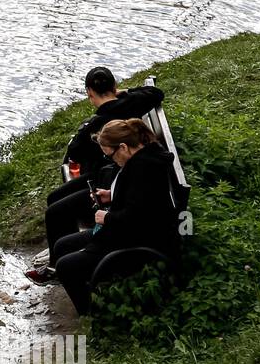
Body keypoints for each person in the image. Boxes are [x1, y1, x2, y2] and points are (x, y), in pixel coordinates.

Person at [25, 66, 164, 284]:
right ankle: (59, 260)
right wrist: (123, 93)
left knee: (56, 210)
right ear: (115, 87)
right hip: (112, 176)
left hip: (106, 177)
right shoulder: (135, 102)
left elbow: (75, 151)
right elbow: (156, 93)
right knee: (55, 201)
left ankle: (57, 267)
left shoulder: (101, 121)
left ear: (89, 92)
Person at [51, 118, 182, 315]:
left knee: (65, 266)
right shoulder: (144, 159)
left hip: (138, 240)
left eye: (110, 155)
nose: (111, 161)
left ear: (123, 147)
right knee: (62, 246)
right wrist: (111, 195)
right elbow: (142, 200)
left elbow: (137, 218)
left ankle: (93, 315)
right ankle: (93, 298)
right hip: (129, 231)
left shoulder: (143, 169)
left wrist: (106, 218)